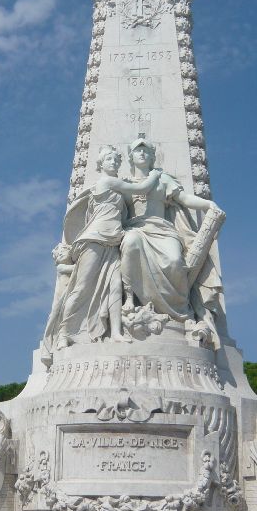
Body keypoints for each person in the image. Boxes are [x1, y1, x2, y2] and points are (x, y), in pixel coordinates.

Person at [42, 146, 161, 359]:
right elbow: (142, 188)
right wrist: (155, 174)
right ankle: (63, 333)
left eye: (116, 159)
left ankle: (115, 332)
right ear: (100, 164)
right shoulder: (105, 182)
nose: (113, 162)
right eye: (108, 159)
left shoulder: (118, 190)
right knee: (81, 287)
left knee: (115, 286)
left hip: (113, 241)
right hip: (95, 239)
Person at [120, 137, 223, 332]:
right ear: (130, 157)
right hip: (136, 228)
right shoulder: (124, 183)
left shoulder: (162, 178)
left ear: (152, 157)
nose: (142, 154)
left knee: (175, 260)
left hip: (163, 230)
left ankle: (179, 310)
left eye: (146, 151)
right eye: (137, 151)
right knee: (130, 242)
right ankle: (129, 300)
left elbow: (183, 198)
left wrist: (208, 204)